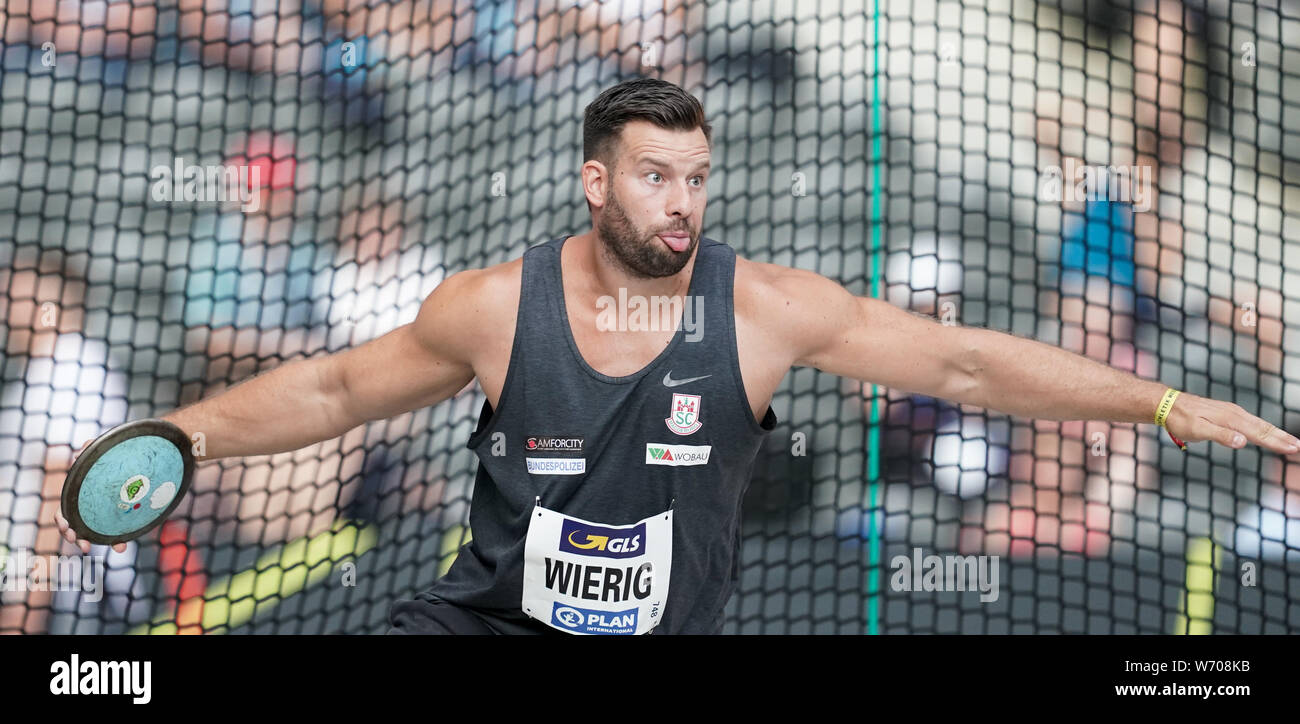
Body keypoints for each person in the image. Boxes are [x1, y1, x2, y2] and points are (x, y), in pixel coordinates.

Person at [54, 77, 1300, 635]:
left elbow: (967, 366)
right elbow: (331, 387)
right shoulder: (492, 305)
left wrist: (1162, 400)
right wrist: (190, 434)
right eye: (656, 176)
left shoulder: (762, 308)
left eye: (696, 178)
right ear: (595, 180)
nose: (680, 202)